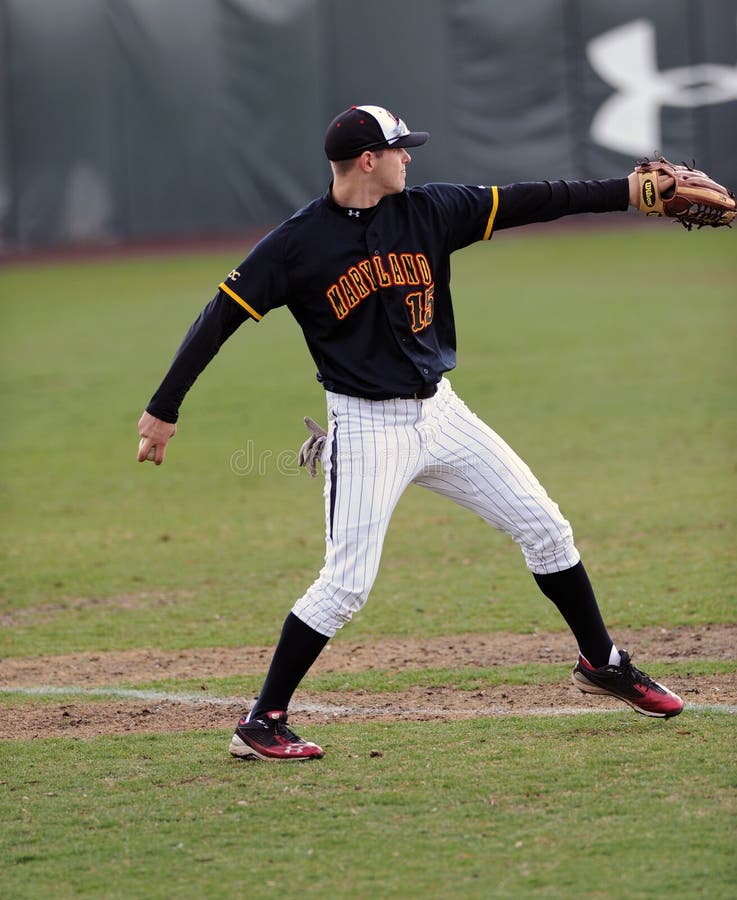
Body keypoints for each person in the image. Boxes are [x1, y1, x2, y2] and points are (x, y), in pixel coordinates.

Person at [137, 104, 684, 761]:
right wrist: (164, 408)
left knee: (545, 528)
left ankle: (601, 663)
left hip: (441, 414)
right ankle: (260, 722)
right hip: (367, 428)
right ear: (367, 160)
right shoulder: (296, 244)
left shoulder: (430, 210)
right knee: (345, 586)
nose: (410, 158)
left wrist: (626, 193)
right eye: (400, 149)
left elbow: (535, 199)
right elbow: (220, 314)